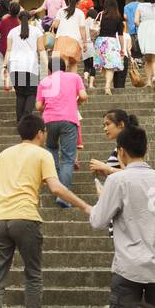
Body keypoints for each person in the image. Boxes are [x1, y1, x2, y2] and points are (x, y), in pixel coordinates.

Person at [0, 114, 90, 308]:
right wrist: (84, 206)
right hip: (26, 217)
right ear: (41, 132)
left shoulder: (4, 154)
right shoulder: (42, 154)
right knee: (32, 273)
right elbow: (55, 187)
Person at [87, 123, 155, 308]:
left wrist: (101, 199)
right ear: (146, 148)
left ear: (121, 152)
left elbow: (98, 220)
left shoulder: (117, 181)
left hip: (128, 268)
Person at [37, 56, 88, 209]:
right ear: (64, 67)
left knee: (52, 150)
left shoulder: (44, 81)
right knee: (67, 158)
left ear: (50, 70)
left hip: (49, 121)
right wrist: (75, 103)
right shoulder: (74, 77)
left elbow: (39, 105)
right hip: (69, 120)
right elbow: (84, 96)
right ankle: (64, 197)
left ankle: (57, 183)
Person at [3, 7, 45, 125]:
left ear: (18, 19)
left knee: (20, 94)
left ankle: (19, 120)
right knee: (31, 93)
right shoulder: (37, 31)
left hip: (16, 67)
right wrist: (47, 66)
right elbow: (41, 50)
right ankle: (26, 118)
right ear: (31, 19)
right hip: (30, 67)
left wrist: (4, 65)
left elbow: (8, 51)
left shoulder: (12, 32)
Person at [95, 0, 126, 95]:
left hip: (100, 42)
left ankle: (108, 84)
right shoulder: (118, 17)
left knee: (104, 66)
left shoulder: (100, 15)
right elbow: (121, 35)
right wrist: (122, 48)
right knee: (110, 67)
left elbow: (94, 27)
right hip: (111, 42)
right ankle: (108, 85)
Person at [50, 0, 85, 72]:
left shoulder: (61, 11)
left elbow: (55, 25)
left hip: (60, 39)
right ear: (79, 2)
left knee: (59, 63)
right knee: (73, 63)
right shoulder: (80, 13)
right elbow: (82, 29)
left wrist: (53, 22)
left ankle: (58, 82)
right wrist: (85, 42)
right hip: (74, 40)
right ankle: (72, 83)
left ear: (68, 0)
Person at [124, 0, 142, 64]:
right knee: (141, 44)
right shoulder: (141, 5)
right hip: (141, 28)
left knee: (133, 46)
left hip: (131, 29)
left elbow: (125, 17)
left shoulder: (126, 7)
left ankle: (135, 60)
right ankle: (140, 60)